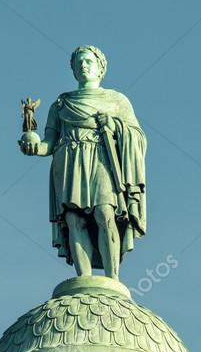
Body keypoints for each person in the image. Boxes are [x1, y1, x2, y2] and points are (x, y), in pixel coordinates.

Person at [19, 45, 146, 280]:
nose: (83, 66)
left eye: (88, 61)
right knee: (74, 218)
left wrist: (115, 126)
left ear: (101, 68)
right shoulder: (61, 104)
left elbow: (138, 137)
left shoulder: (117, 100)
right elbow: (49, 143)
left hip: (101, 157)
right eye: (78, 63)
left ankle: (112, 278)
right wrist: (34, 145)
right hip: (68, 159)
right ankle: (84, 276)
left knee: (105, 211)